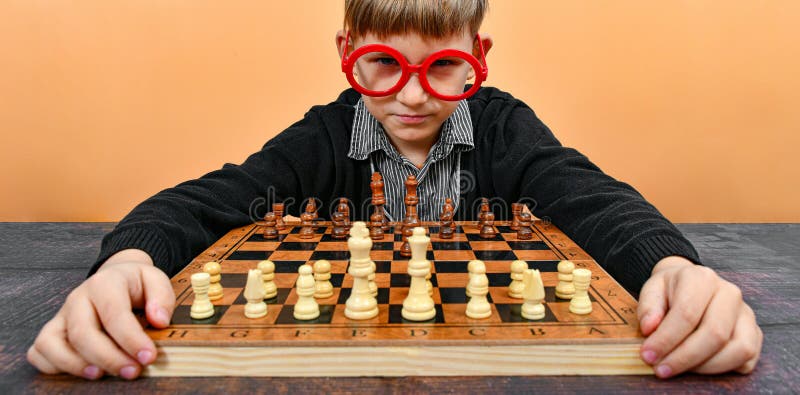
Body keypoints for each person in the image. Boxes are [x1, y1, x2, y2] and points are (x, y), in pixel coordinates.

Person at [27, 0, 761, 380]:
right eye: (383, 65)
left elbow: (588, 195)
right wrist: (127, 261)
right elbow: (210, 198)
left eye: (443, 67)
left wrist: (672, 266)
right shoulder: (322, 137)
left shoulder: (503, 129)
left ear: (478, 57)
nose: (411, 97)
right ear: (347, 54)